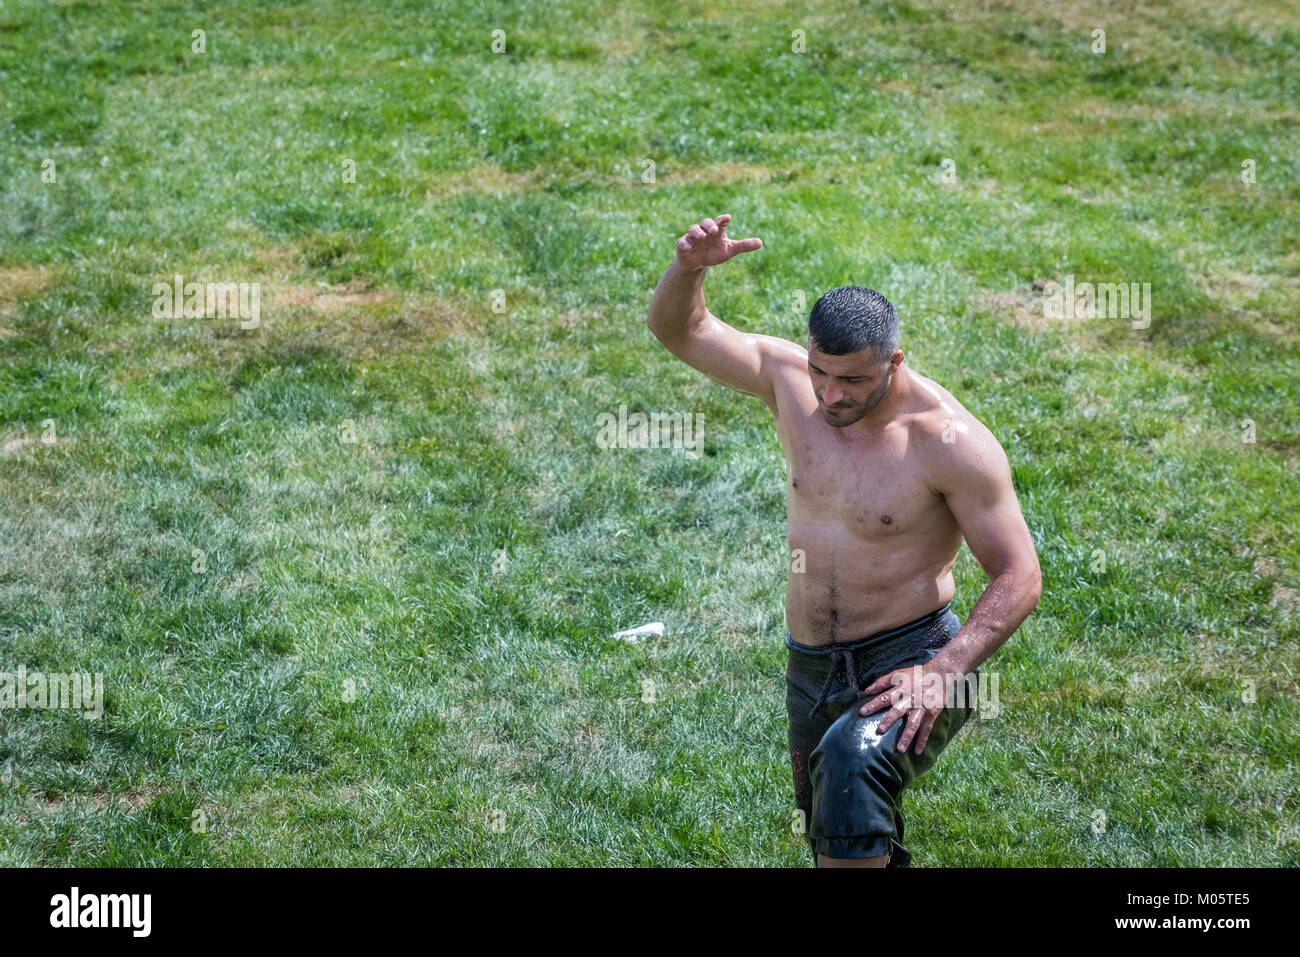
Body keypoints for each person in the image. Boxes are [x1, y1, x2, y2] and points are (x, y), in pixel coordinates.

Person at [645, 214, 1042, 867]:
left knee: (850, 781)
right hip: (810, 662)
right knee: (833, 830)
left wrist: (943, 673)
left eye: (853, 380)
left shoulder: (950, 443)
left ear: (894, 361)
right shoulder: (789, 381)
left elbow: (1018, 572)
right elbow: (679, 329)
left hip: (911, 655)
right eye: (821, 372)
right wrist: (688, 270)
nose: (830, 393)